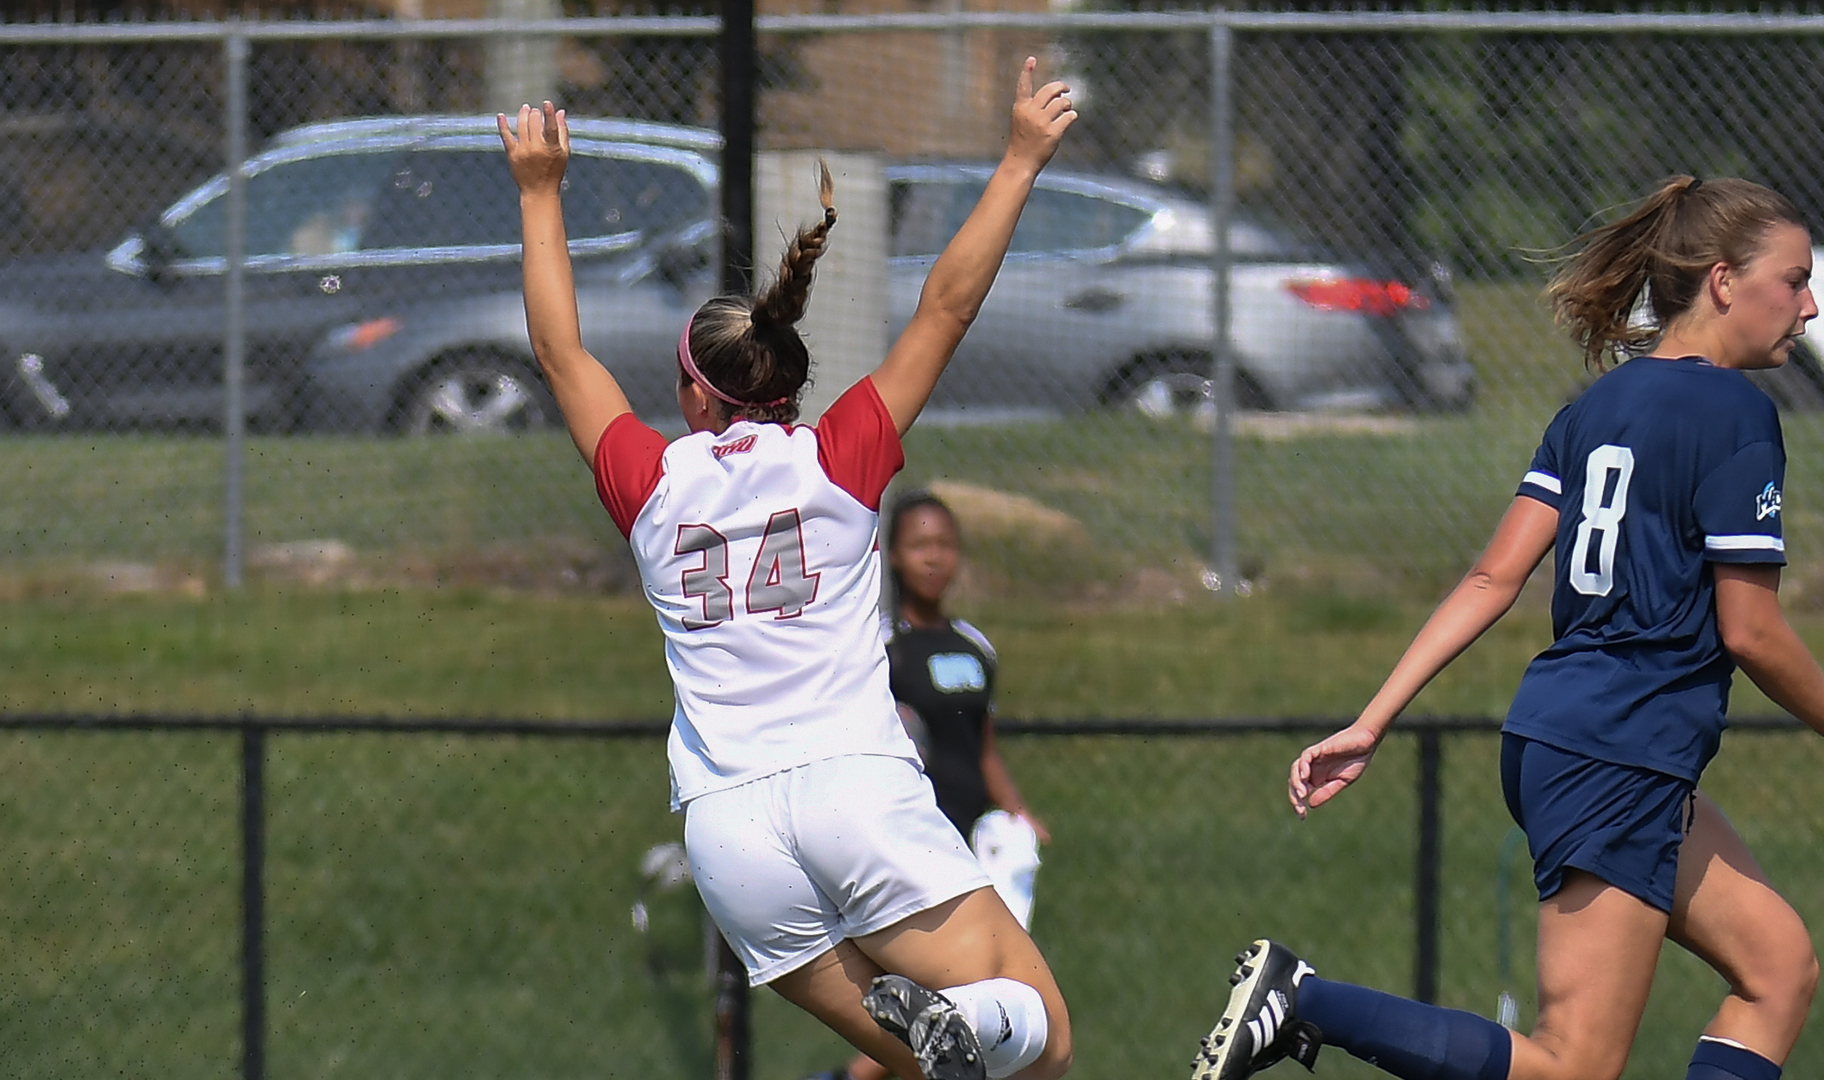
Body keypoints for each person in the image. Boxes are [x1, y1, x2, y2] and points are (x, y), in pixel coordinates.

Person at [499, 57, 1077, 1080]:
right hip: (856, 792)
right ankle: (980, 1024)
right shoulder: (838, 455)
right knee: (1037, 1032)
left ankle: (960, 1034)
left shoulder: (650, 480)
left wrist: (540, 192)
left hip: (729, 833)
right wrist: (1021, 158)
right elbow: (945, 309)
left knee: (920, 1066)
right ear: (785, 385)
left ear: (694, 394)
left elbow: (560, 356)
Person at [1188, 174, 1823, 1080]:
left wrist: (1374, 716)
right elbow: (1751, 630)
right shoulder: (1739, 416)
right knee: (1572, 1067)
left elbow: (1491, 576)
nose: (1806, 305)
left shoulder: (1597, 404)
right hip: (1620, 753)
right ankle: (1304, 1000)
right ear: (1724, 282)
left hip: (1574, 739)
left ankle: (1304, 998)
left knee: (1779, 969)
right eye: (1794, 279)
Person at [815, 489, 1053, 1080]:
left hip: (972, 842)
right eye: (919, 544)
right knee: (937, 1004)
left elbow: (984, 748)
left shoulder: (975, 649)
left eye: (945, 545)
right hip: (914, 843)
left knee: (954, 1006)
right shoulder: (880, 651)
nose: (933, 558)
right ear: (892, 555)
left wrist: (1020, 812)